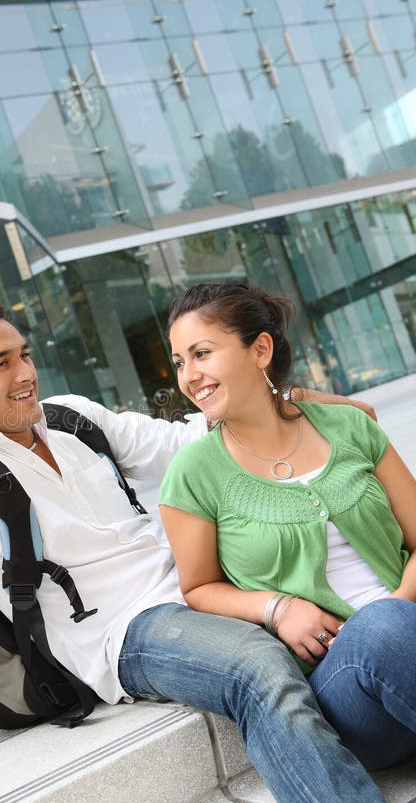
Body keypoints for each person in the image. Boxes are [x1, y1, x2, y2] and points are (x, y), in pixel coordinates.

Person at [0, 297, 416, 803]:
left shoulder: (72, 418)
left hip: (190, 587)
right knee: (258, 668)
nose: (26, 373)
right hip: (126, 633)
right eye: (0, 363)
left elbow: (186, 439)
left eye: (24, 354)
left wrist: (305, 405)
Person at [160, 281, 416, 774]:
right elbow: (198, 587)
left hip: (406, 627)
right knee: (383, 630)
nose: (189, 376)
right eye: (179, 362)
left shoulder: (349, 428)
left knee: (389, 625)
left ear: (259, 349)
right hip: (344, 686)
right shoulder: (193, 474)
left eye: (201, 354)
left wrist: (399, 604)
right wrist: (278, 607)